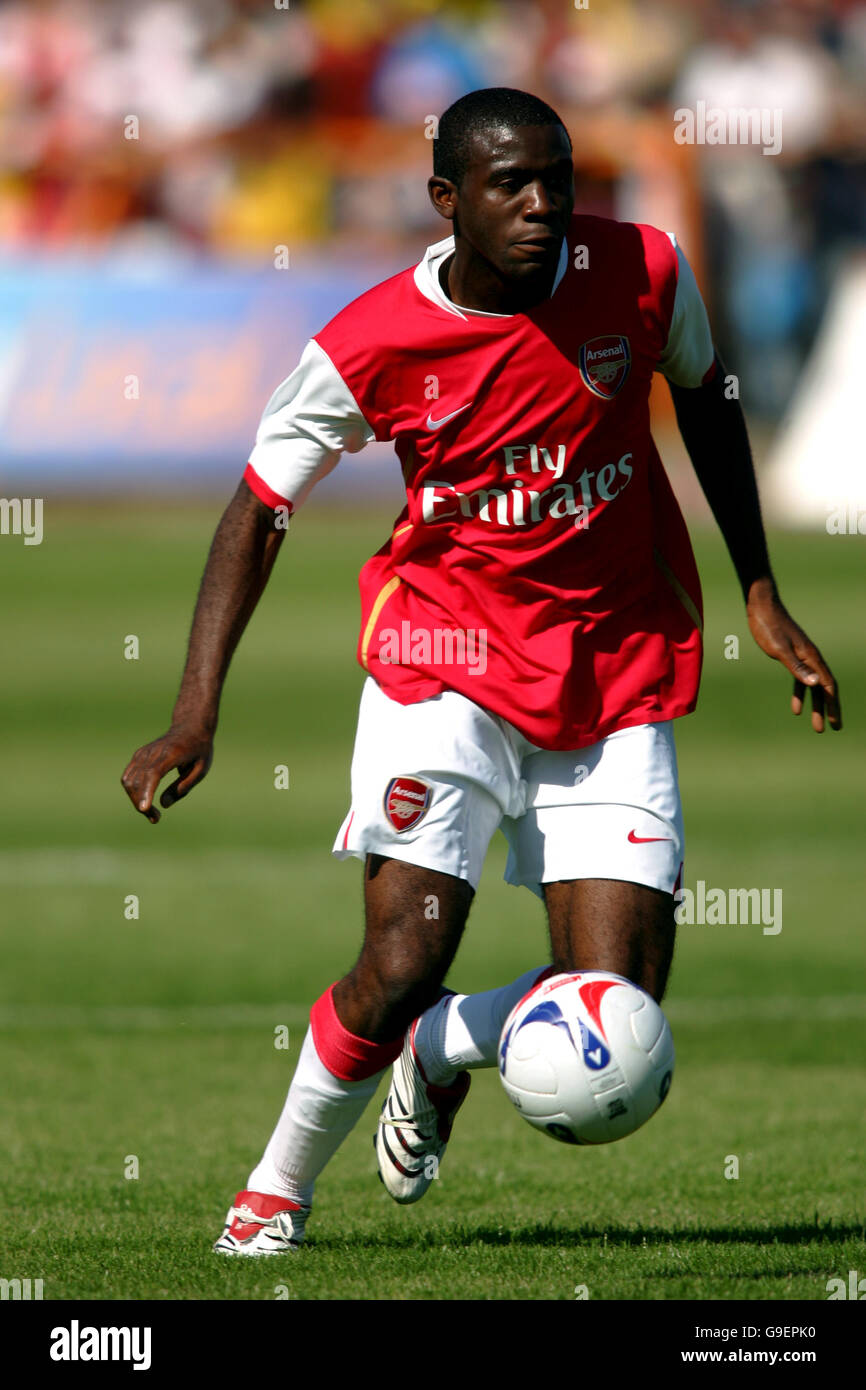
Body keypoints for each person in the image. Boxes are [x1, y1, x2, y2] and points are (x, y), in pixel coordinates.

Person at [120, 88, 841, 1256]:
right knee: (402, 954)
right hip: (439, 665)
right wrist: (193, 712)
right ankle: (274, 1190)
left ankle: (444, 1044)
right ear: (445, 202)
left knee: (619, 1008)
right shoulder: (367, 342)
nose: (543, 204)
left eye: (557, 177)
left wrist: (758, 588)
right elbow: (257, 508)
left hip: (610, 670)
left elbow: (705, 393)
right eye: (511, 184)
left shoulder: (644, 270)